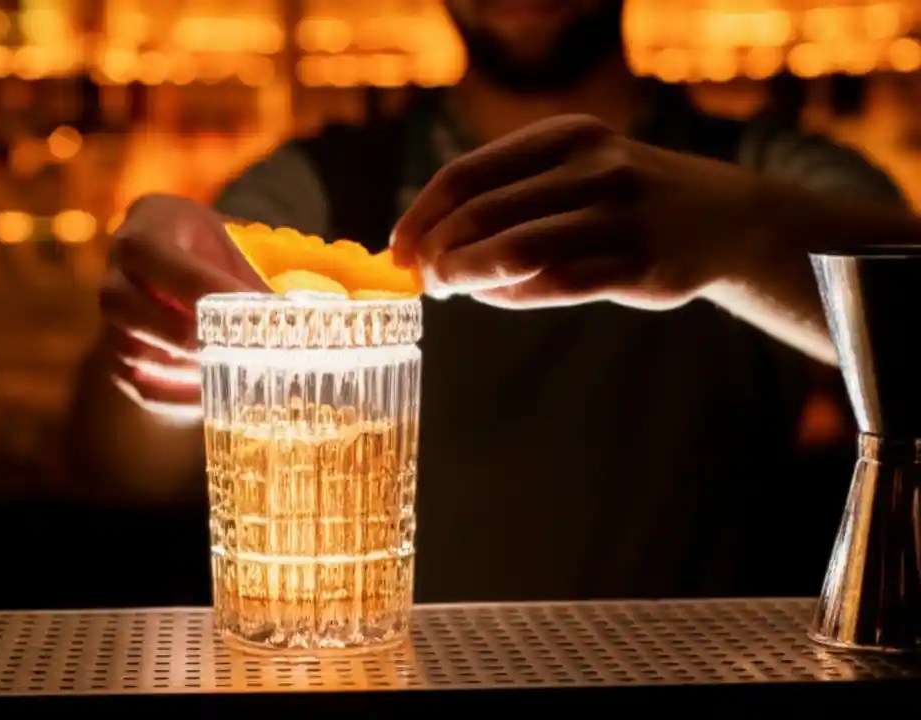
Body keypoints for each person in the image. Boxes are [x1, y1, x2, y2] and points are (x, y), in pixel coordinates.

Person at [67, 0, 921, 603]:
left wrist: (736, 237)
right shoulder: (317, 188)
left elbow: (906, 312)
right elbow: (124, 465)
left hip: (696, 679)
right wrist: (155, 331)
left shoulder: (767, 172)